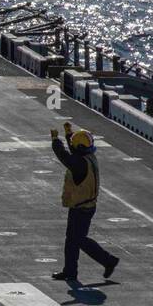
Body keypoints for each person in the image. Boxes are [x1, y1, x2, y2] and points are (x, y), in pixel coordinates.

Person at [51, 121, 119, 282]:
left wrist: (56, 141)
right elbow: (75, 149)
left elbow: (65, 156)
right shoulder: (88, 157)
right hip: (84, 206)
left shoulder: (79, 164)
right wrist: (69, 134)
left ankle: (108, 260)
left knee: (78, 239)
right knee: (71, 240)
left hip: (82, 208)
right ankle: (69, 271)